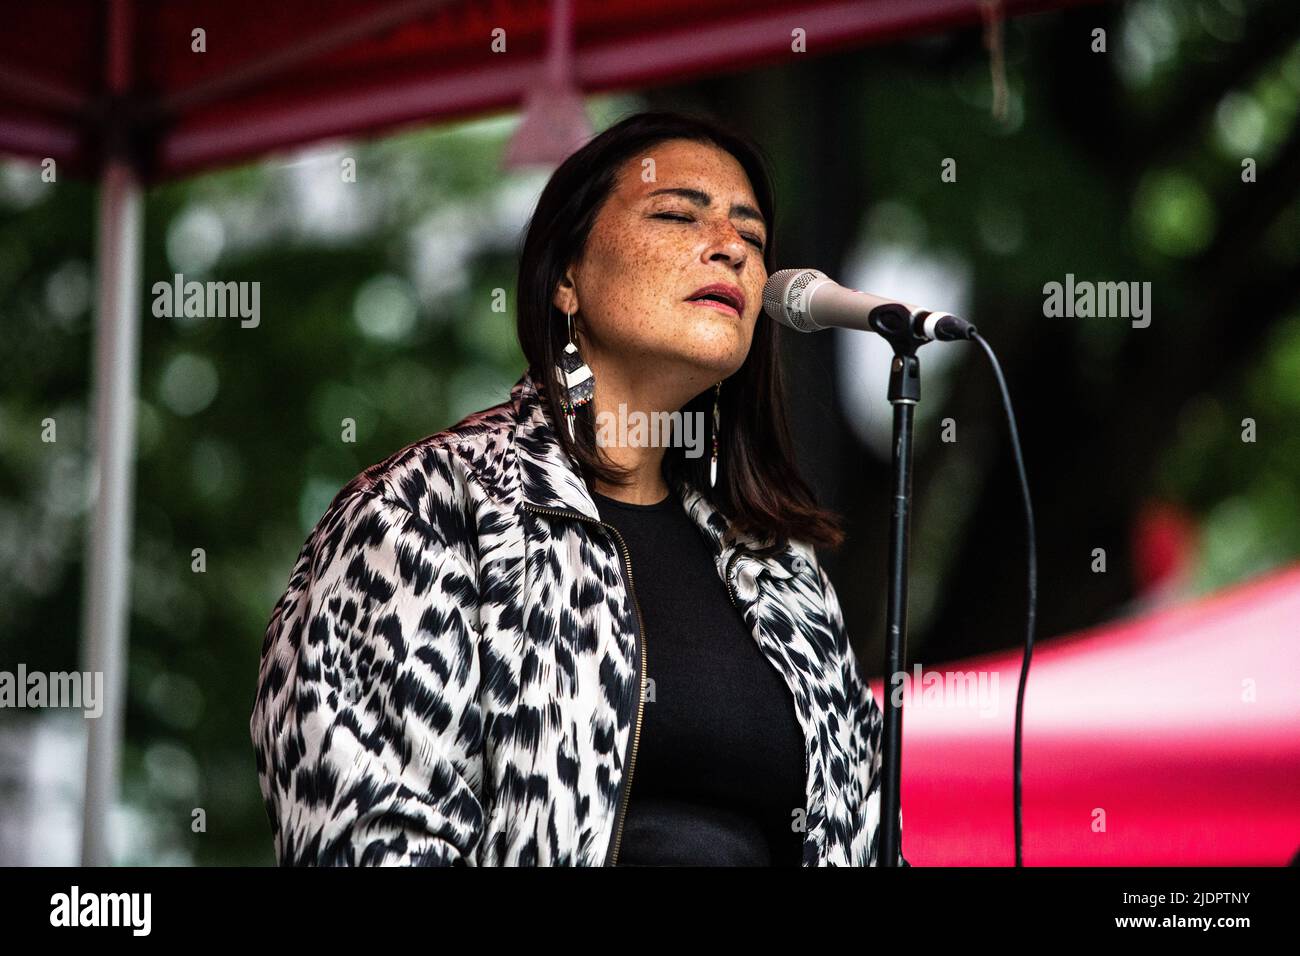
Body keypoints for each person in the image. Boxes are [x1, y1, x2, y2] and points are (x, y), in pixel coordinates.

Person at [249, 110, 906, 867]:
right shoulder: (427, 513)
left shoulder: (782, 571)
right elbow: (368, 838)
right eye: (675, 214)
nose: (729, 248)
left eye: (752, 240)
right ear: (567, 277)